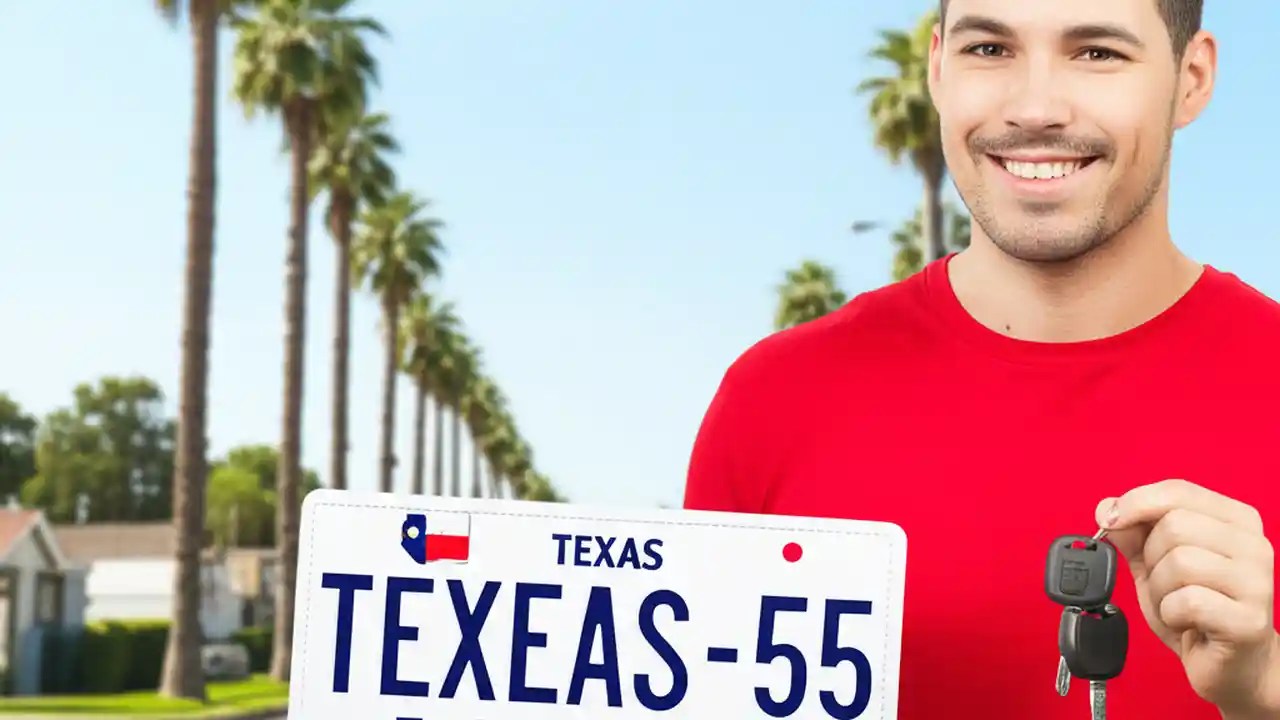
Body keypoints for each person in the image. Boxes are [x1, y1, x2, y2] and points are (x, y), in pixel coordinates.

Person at [683, 0, 1280, 717]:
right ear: (938, 68)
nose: (1034, 107)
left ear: (1192, 79)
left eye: (1096, 53)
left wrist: (1264, 687)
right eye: (990, 50)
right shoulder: (773, 402)